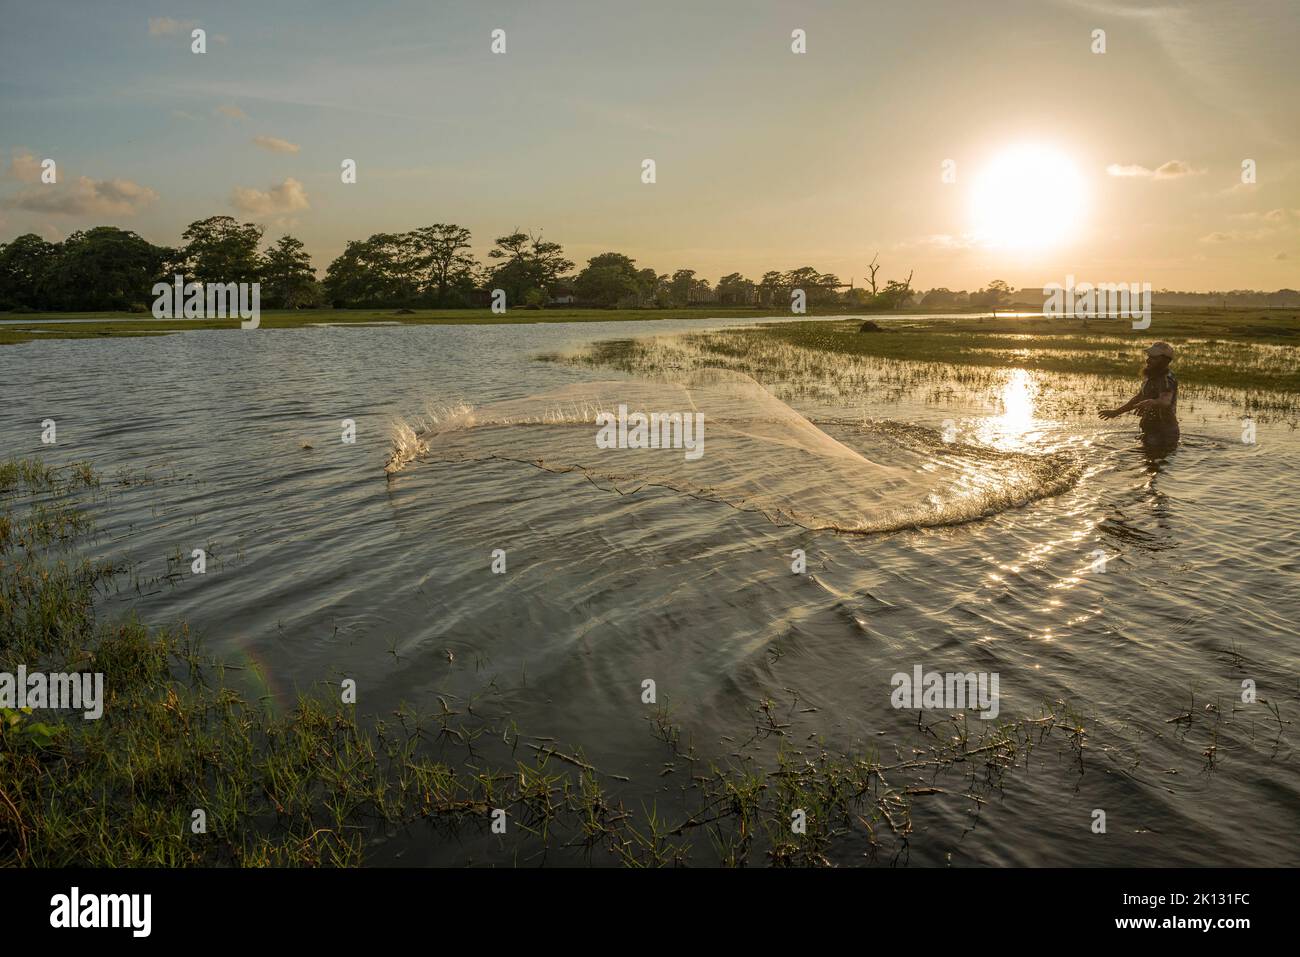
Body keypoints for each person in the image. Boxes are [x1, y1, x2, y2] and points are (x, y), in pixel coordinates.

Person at [1098, 342, 1180, 448]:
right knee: (1150, 460)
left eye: (1153, 358)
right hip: (1152, 428)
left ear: (1164, 361)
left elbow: (1165, 401)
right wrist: (1116, 412)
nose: (1148, 360)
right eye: (1149, 357)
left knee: (1154, 459)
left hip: (1163, 430)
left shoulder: (1166, 379)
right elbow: (1139, 398)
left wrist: (1152, 402)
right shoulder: (1152, 376)